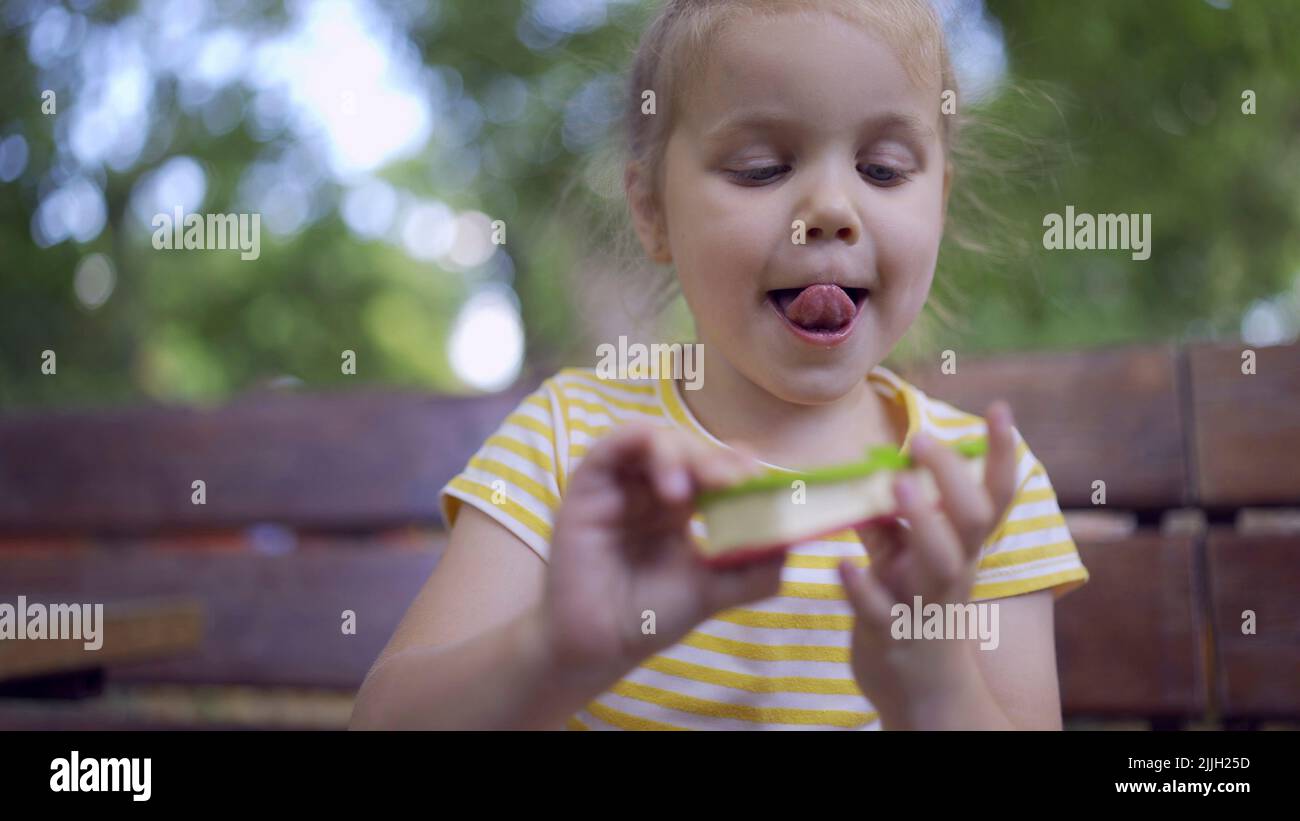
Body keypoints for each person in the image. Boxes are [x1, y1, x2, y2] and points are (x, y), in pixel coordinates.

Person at [350, 0, 1089, 731]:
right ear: (652, 211)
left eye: (883, 169)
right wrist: (555, 649)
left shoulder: (980, 485)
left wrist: (932, 686)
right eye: (761, 168)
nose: (831, 207)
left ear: (941, 205)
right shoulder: (569, 441)